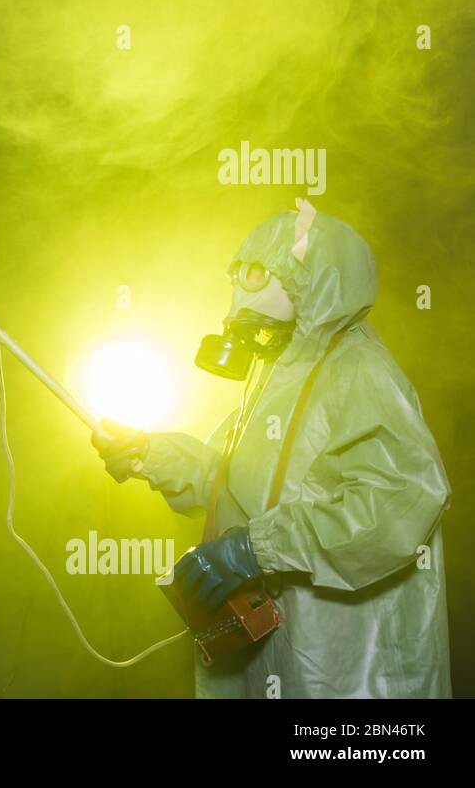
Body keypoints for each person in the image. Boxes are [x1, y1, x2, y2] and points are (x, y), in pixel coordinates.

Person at [91, 199, 451, 698]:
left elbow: (401, 502)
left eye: (256, 273)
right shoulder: (274, 372)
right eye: (235, 274)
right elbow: (235, 486)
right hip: (274, 654)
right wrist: (150, 454)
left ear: (313, 273)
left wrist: (255, 548)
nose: (238, 288)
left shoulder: (358, 369)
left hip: (348, 665)